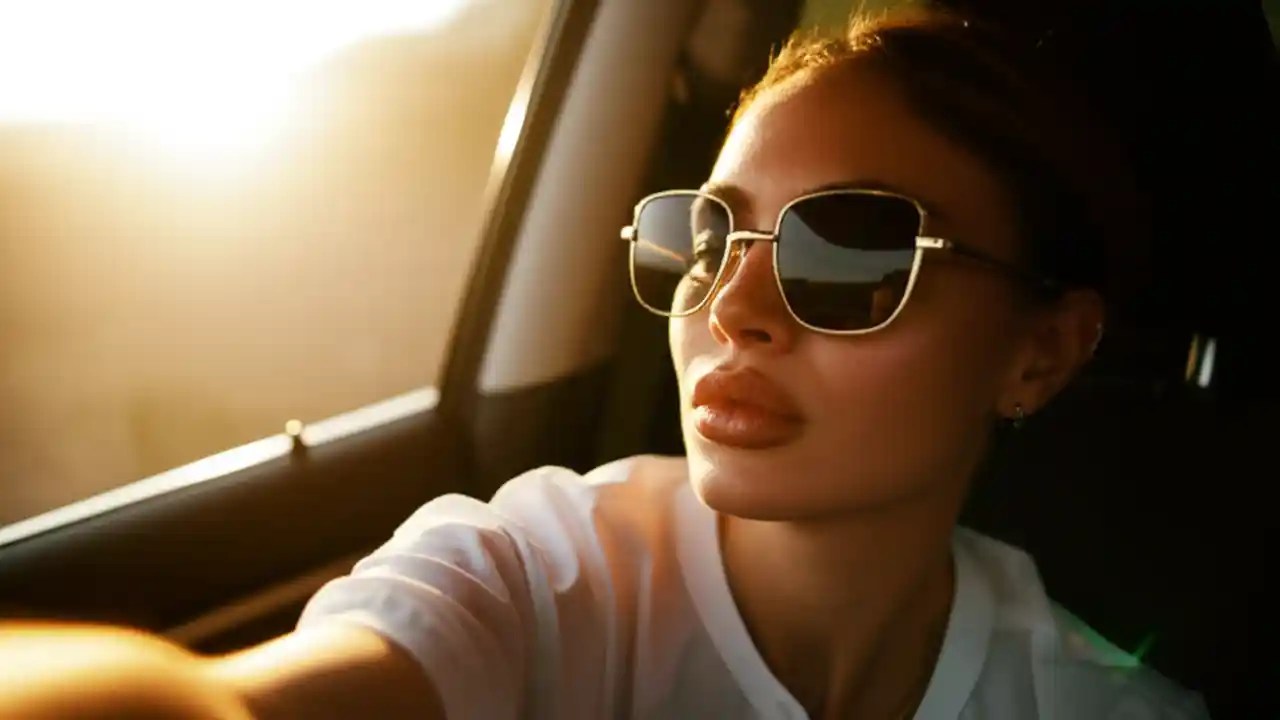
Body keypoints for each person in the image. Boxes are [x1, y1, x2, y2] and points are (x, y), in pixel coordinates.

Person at [0, 8, 1211, 720]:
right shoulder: (534, 575)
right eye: (704, 235)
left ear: (1038, 355)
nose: (729, 306)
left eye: (846, 256)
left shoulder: (1104, 704)